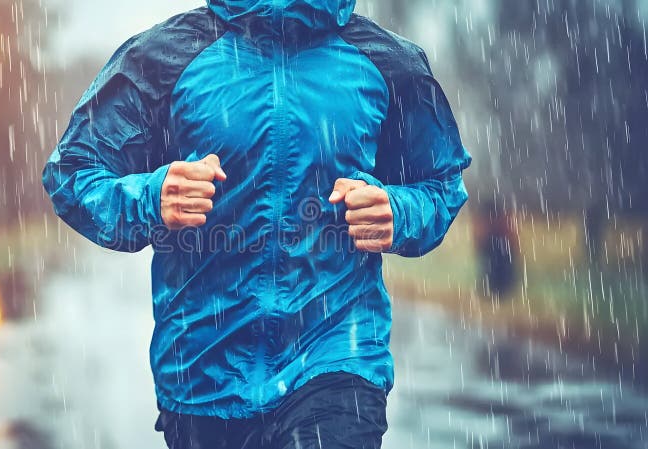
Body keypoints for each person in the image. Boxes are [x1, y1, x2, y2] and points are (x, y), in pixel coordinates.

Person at [42, 0, 471, 447]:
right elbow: (72, 172)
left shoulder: (387, 62)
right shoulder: (165, 56)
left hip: (336, 360)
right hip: (202, 373)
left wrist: (398, 211)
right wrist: (150, 198)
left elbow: (440, 182)